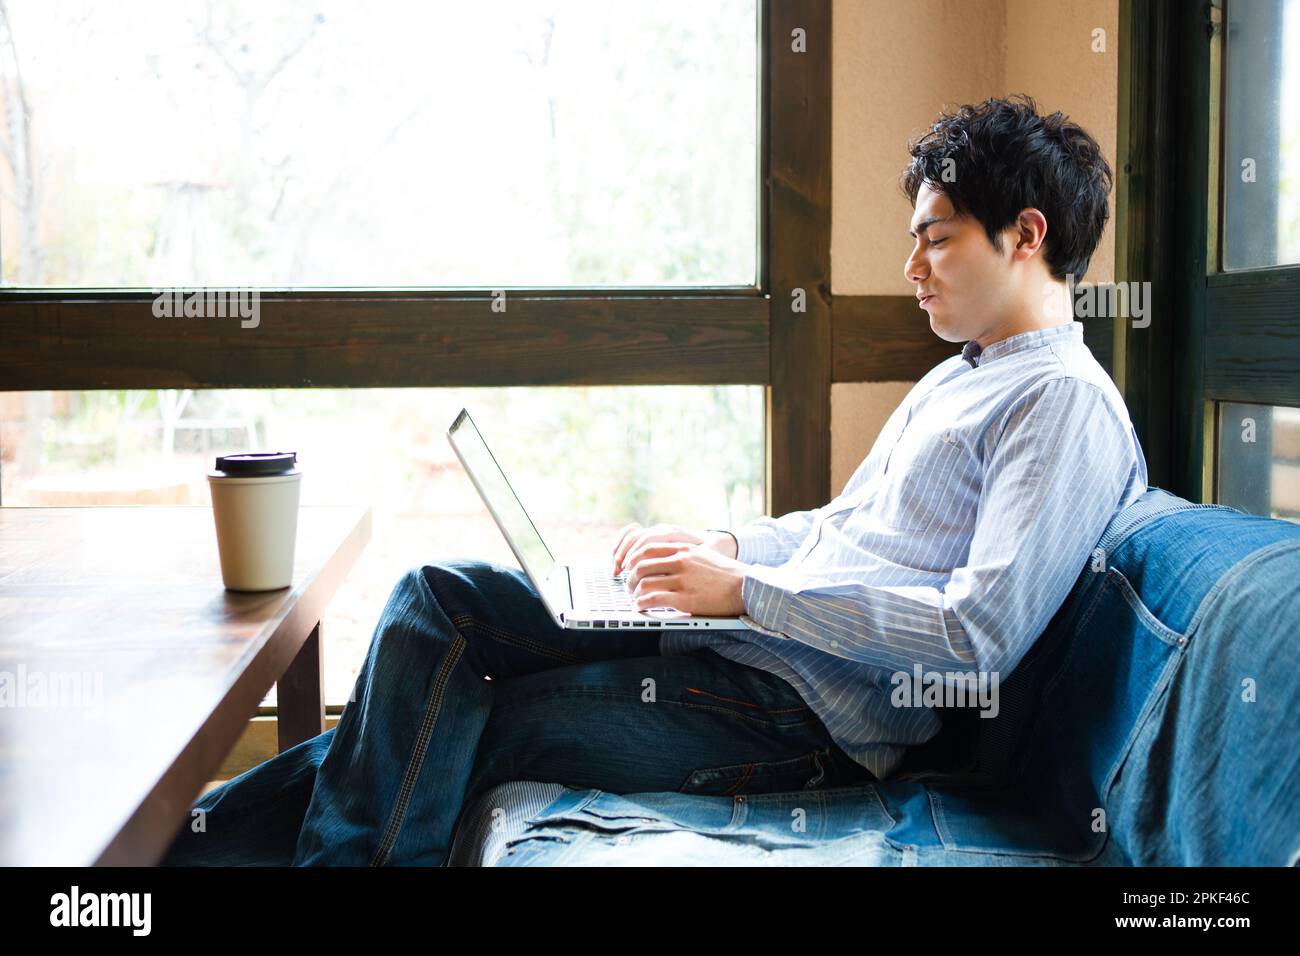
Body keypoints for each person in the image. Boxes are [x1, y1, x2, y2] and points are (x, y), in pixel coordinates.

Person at [161, 93, 1147, 866]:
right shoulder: (964, 374)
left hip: (808, 719)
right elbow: (841, 529)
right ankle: (182, 846)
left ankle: (171, 849)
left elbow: (973, 636)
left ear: (1024, 235)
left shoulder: (1059, 402)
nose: (911, 267)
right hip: (748, 650)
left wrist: (748, 593)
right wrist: (723, 549)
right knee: (438, 602)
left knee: (464, 723)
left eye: (935, 238)